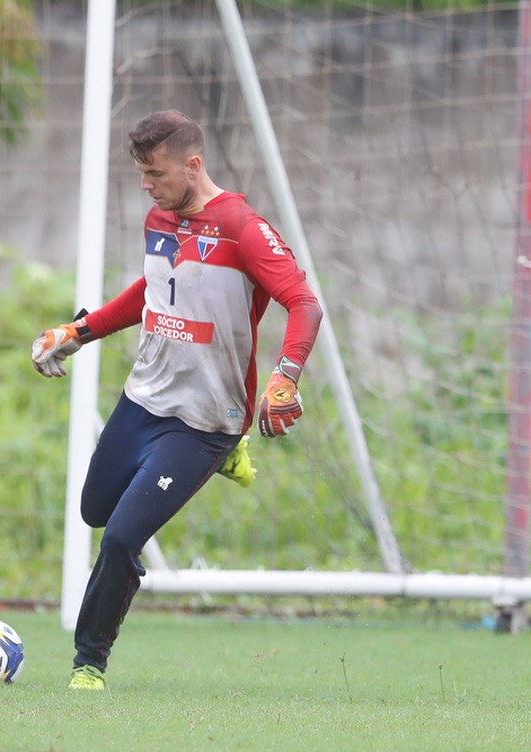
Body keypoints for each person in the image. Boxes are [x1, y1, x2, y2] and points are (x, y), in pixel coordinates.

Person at [31, 110, 323, 691]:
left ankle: (88, 662)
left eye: (156, 173)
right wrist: (78, 332)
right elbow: (151, 289)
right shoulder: (159, 218)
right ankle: (219, 463)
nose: (147, 184)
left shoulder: (242, 227)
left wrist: (285, 377)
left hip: (204, 421)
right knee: (95, 512)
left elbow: (305, 303)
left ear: (193, 165)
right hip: (144, 398)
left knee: (120, 537)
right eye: (141, 173)